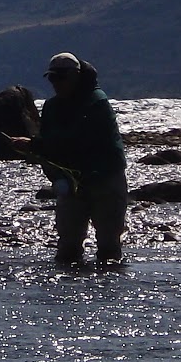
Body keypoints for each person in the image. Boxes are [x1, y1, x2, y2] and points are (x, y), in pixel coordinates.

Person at [10, 51, 128, 266]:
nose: (56, 83)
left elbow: (78, 139)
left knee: (109, 249)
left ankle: (110, 293)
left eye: (61, 77)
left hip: (106, 180)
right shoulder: (51, 107)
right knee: (67, 249)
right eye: (52, 78)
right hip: (71, 181)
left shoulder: (97, 101)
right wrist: (55, 177)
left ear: (76, 76)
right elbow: (50, 145)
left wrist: (34, 145)